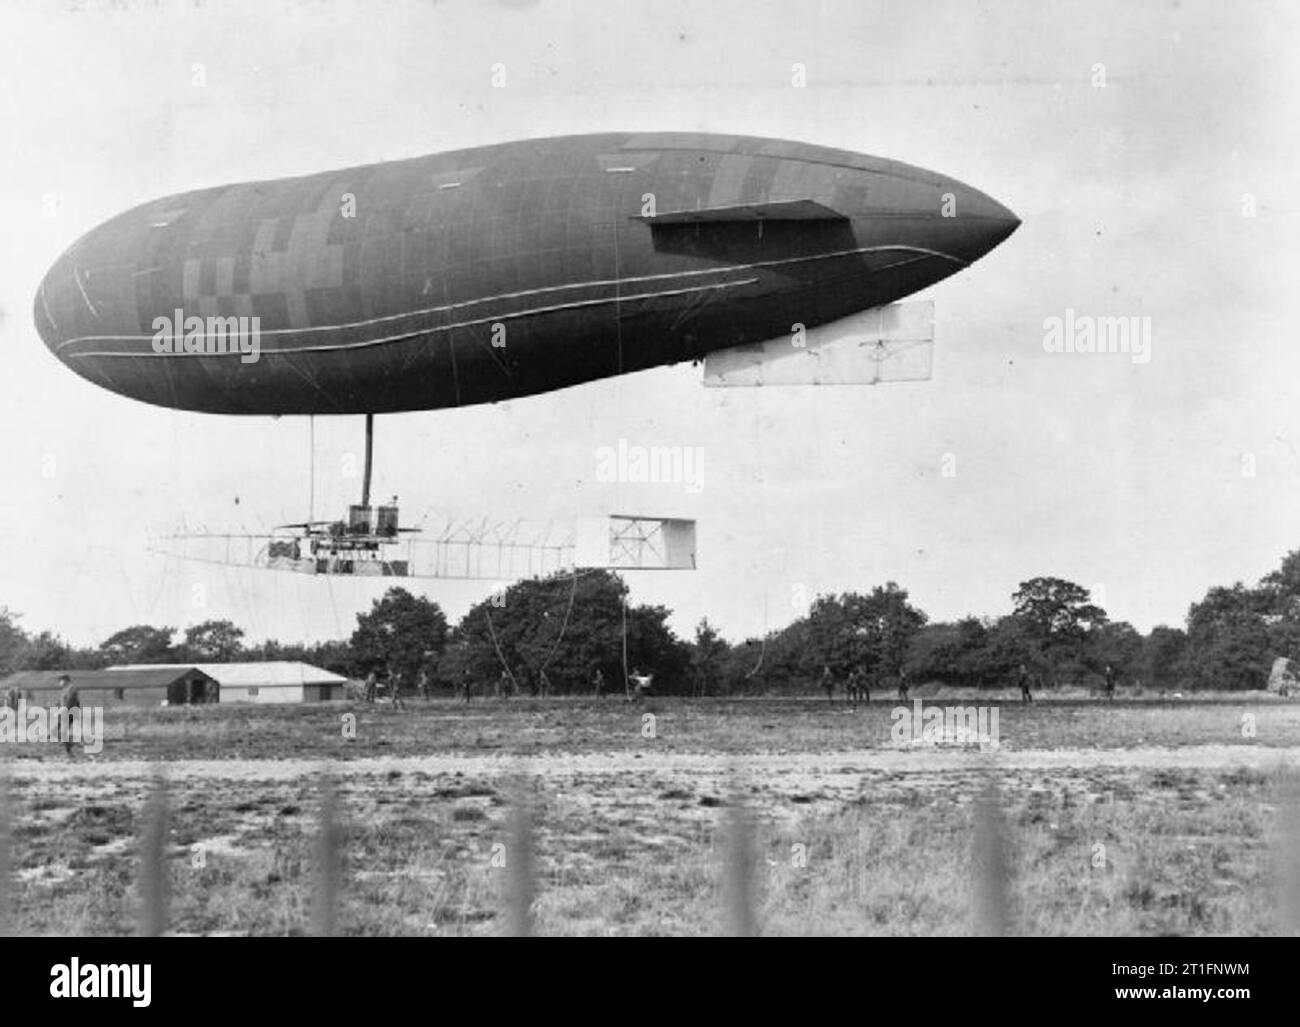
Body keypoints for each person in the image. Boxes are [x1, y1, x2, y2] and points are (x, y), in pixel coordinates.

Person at [56, 674, 80, 756]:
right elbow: (62, 701)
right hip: (64, 712)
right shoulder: (65, 689)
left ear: (66, 680)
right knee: (59, 731)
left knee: (61, 731)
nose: (60, 682)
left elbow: (70, 700)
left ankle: (69, 748)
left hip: (69, 712)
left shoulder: (71, 688)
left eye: (61, 680)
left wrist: (65, 708)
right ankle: (69, 745)